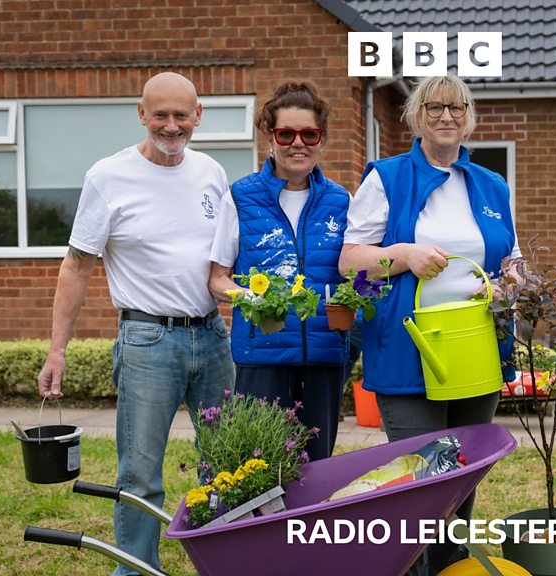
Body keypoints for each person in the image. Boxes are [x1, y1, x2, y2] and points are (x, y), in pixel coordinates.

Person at [37, 72, 235, 576]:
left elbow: (220, 267)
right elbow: (77, 265)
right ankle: (135, 570)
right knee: (140, 473)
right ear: (141, 114)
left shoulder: (212, 171)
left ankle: (227, 562)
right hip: (147, 342)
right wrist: (57, 350)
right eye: (161, 116)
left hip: (212, 338)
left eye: (181, 116)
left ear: (198, 115)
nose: (172, 127)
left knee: (229, 465)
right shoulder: (108, 176)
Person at [339, 74, 518, 575]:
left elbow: (514, 264)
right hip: (409, 351)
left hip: (475, 351)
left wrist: (506, 288)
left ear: (469, 117)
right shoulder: (387, 177)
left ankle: (450, 568)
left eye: (457, 108)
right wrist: (403, 255)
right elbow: (350, 260)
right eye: (435, 108)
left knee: (461, 479)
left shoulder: (491, 185)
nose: (446, 117)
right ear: (416, 116)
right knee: (420, 483)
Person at [208, 81, 349, 461]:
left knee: (319, 465)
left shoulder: (341, 201)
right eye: (286, 133)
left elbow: (354, 274)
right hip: (262, 354)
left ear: (322, 139)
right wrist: (250, 299)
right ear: (270, 138)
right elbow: (218, 279)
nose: (297, 143)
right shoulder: (240, 197)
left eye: (309, 133)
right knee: (262, 465)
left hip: (324, 355)